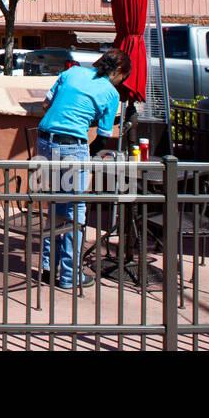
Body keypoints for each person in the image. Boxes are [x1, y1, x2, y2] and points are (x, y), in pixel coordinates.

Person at [36, 48, 131, 290]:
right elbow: (102, 138)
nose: (122, 83)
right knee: (75, 211)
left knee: (55, 203)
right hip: (71, 148)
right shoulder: (111, 93)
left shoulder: (72, 73)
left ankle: (48, 267)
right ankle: (70, 276)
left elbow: (47, 103)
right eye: (124, 78)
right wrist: (80, 150)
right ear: (119, 71)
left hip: (45, 141)